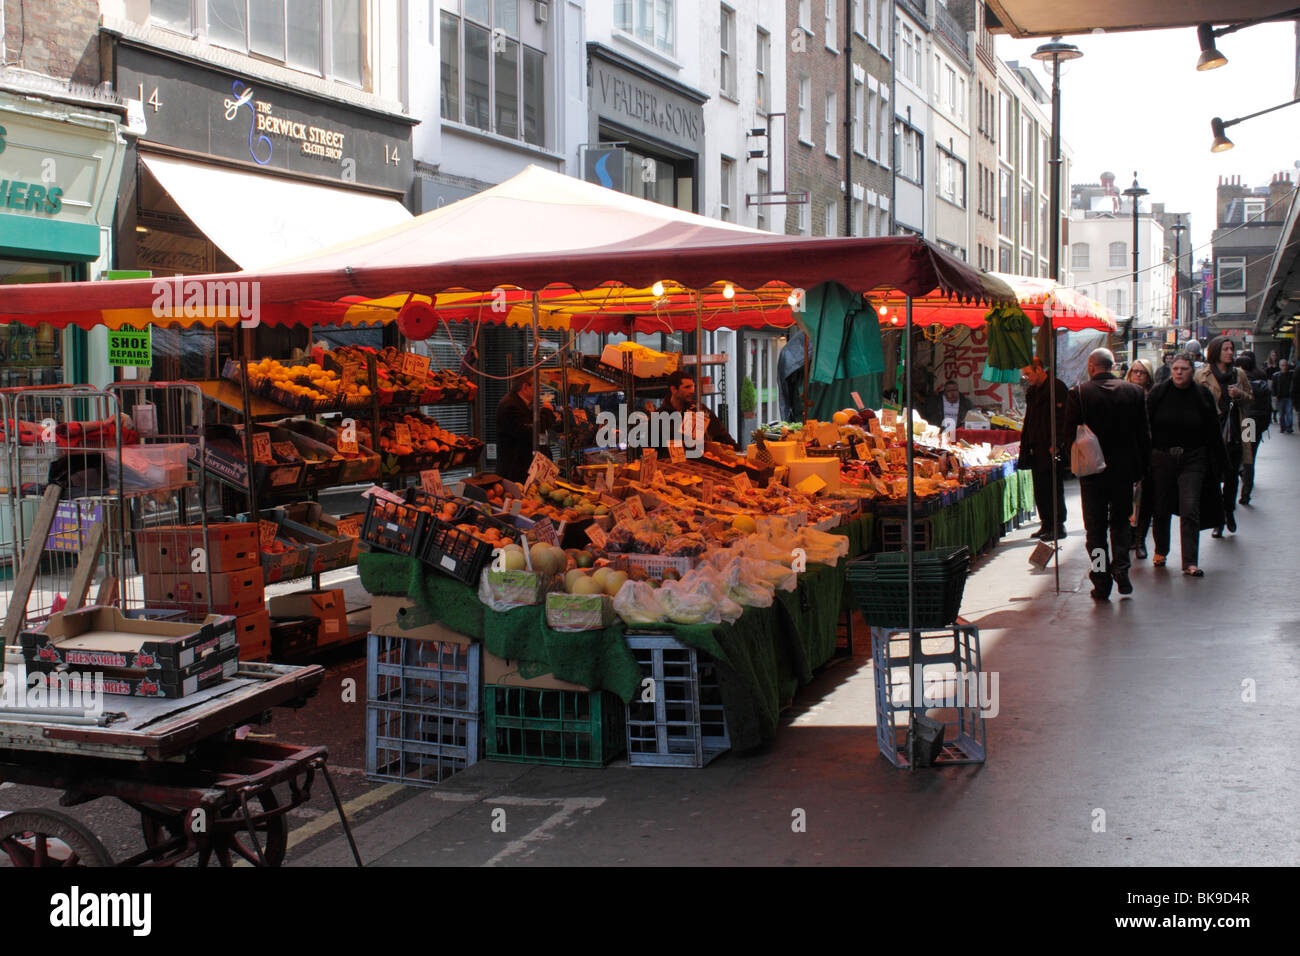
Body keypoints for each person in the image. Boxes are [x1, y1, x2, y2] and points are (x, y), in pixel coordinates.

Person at [1064, 348, 1151, 601]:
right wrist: (1143, 469)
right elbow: (1143, 436)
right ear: (1112, 365)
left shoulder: (1079, 394)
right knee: (1121, 524)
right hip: (1124, 472)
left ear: (1092, 367)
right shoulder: (1134, 392)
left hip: (1092, 473)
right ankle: (1122, 568)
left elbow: (1069, 435)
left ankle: (1101, 579)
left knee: (1096, 530)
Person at [1146, 352, 1229, 577]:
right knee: (1161, 507)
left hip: (1194, 457)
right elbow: (1147, 427)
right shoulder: (1159, 393)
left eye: (1184, 369)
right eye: (1175, 369)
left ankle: (1190, 561)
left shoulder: (1202, 395)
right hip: (1163, 458)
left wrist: (1222, 463)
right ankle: (1161, 550)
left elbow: (1213, 430)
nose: (1179, 372)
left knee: (1189, 507)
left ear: (1193, 372)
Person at [1194, 337, 1251, 536]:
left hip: (1234, 433)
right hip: (1211, 434)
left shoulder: (1239, 374)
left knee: (1232, 476)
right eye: (1226, 349)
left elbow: (1250, 398)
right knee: (1213, 477)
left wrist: (1239, 394)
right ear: (1217, 351)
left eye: (1231, 349)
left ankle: (1229, 510)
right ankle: (1219, 518)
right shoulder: (1202, 374)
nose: (1230, 352)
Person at [1018, 357, 1068, 540]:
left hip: (1051, 448)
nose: (1027, 378)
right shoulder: (1033, 391)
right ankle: (1045, 523)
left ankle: (1058, 525)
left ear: (1039, 369)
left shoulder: (1057, 388)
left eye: (1029, 374)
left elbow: (1063, 418)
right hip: (1035, 448)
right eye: (1025, 375)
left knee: (1053, 487)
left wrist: (1058, 442)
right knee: (1040, 488)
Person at [653, 369, 737, 456]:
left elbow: (721, 434)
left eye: (693, 386)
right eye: (687, 387)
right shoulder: (658, 417)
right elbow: (652, 451)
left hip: (702, 464)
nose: (692, 391)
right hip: (672, 467)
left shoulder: (699, 410)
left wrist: (737, 451)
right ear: (674, 389)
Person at [495, 375, 557, 483]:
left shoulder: (525, 404)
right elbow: (532, 432)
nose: (541, 390)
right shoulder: (510, 406)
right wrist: (547, 412)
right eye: (537, 386)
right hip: (516, 473)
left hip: (526, 469)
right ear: (525, 387)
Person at [1125, 360, 1156, 558]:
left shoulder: (1153, 397)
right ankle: (1128, 537)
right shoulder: (1122, 393)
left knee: (1145, 499)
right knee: (1126, 498)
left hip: (1147, 453)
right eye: (1134, 372)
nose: (1138, 375)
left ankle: (1140, 539)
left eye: (1142, 372)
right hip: (1125, 453)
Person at [1235, 350, 1270, 505]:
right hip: (1257, 421)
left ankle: (1239, 481)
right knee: (1250, 458)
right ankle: (1246, 491)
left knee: (1240, 456)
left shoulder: (1241, 382)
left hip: (1245, 421)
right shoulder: (1261, 378)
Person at [1271, 358, 1293, 433]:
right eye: (1283, 365)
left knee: (1289, 412)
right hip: (1280, 397)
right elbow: (1273, 386)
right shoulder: (1276, 376)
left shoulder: (1291, 375)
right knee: (1281, 414)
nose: (1284, 367)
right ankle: (1283, 427)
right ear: (1280, 366)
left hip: (1289, 396)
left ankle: (1289, 427)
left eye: (1286, 365)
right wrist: (1274, 395)